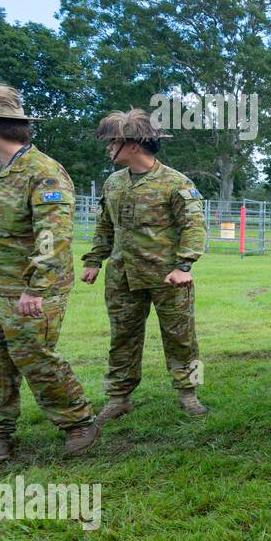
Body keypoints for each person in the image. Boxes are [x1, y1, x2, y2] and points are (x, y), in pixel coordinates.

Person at [81, 108, 208, 419]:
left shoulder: (174, 182)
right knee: (122, 337)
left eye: (114, 143)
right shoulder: (113, 183)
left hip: (168, 277)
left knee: (181, 337)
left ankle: (189, 393)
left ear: (134, 145)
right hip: (122, 276)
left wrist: (184, 266)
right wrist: (94, 260)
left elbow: (194, 226)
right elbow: (105, 225)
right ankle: (118, 397)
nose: (109, 148)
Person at [0, 83, 100, 460]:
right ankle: (1, 434)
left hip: (34, 291)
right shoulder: (2, 171)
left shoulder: (43, 172)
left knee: (35, 357)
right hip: (0, 286)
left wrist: (36, 288)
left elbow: (52, 236)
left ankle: (78, 422)